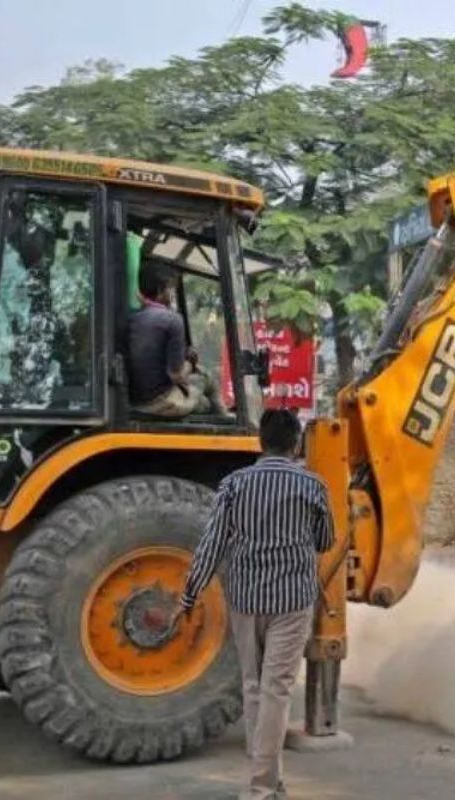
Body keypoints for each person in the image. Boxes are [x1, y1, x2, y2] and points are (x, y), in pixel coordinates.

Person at [176, 409, 334, 800]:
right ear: (296, 442)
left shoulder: (233, 485)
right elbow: (325, 540)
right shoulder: (313, 486)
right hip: (292, 601)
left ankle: (265, 773)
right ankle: (262, 788)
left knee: (253, 686)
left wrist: (190, 595)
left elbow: (212, 545)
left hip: (245, 599)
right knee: (277, 689)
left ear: (259, 442)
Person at [127, 262, 218, 417]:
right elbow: (176, 376)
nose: (172, 294)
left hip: (135, 401)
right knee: (206, 391)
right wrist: (189, 362)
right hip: (160, 402)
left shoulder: (132, 319)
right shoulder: (172, 320)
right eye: (170, 289)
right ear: (160, 290)